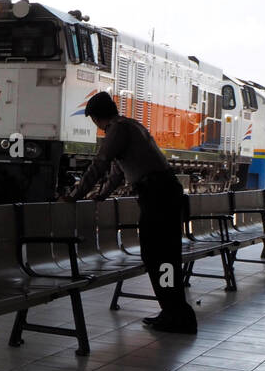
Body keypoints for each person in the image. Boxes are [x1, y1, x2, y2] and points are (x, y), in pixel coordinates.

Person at [62, 91, 197, 334]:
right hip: (162, 192)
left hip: (157, 194)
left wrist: (76, 195)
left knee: (159, 255)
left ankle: (177, 314)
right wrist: (102, 194)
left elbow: (101, 163)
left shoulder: (117, 130)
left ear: (95, 118)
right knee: (163, 254)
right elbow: (117, 171)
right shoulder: (129, 126)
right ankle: (174, 312)